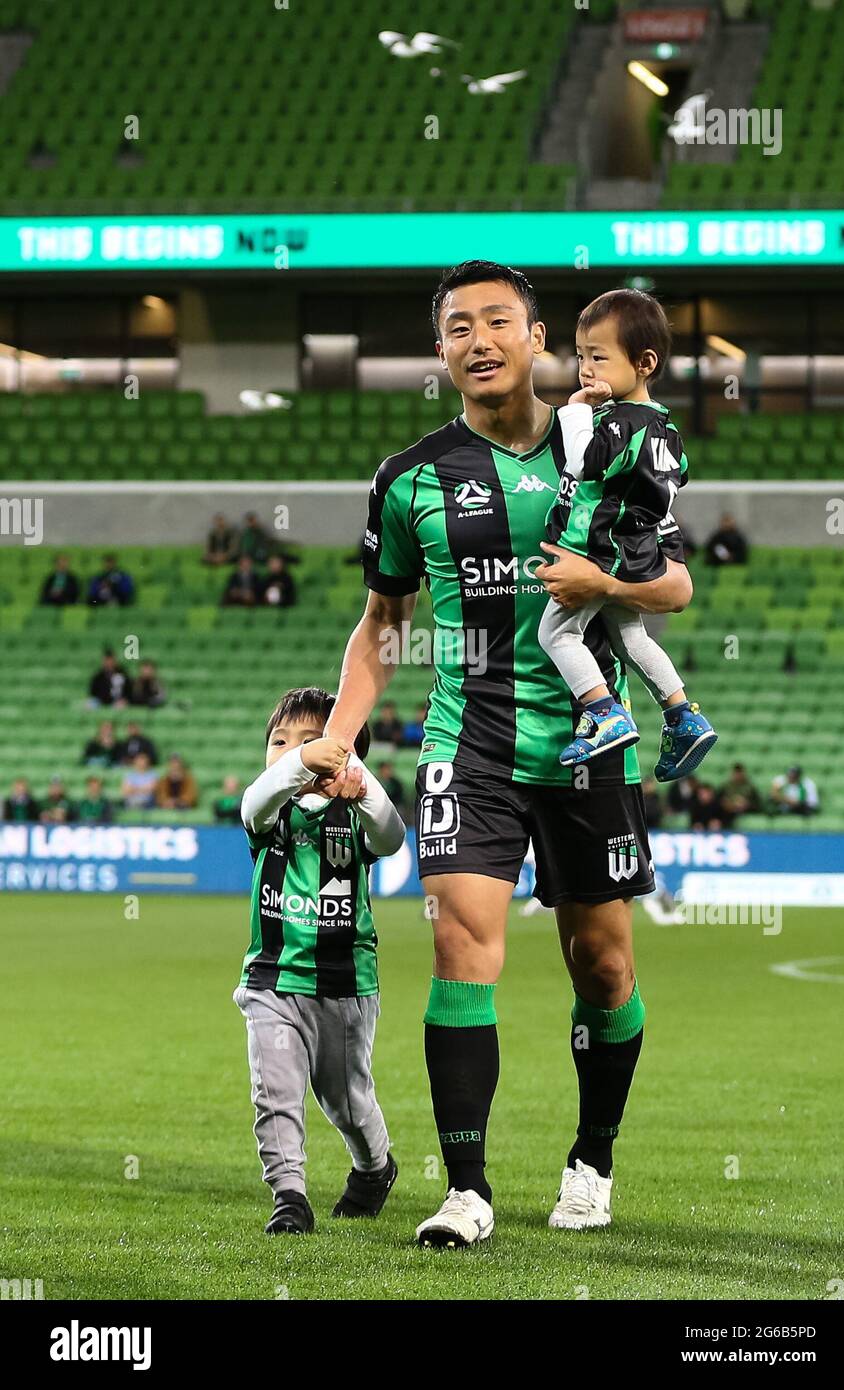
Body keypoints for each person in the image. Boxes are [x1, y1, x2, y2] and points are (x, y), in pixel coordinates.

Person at [323, 259, 693, 1247]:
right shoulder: (409, 478)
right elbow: (381, 624)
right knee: (458, 942)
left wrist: (602, 583)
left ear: (540, 341)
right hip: (467, 740)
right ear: (439, 352)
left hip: (587, 741)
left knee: (602, 970)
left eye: (497, 321)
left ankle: (591, 1161)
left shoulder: (608, 443)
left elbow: (674, 588)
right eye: (456, 327)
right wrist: (337, 733)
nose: (477, 339)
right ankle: (466, 1188)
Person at [233, 685, 404, 1234]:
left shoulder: (355, 814)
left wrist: (359, 783)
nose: (290, 749)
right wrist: (303, 761)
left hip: (347, 984)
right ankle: (289, 1195)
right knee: (275, 1091)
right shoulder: (269, 816)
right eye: (278, 741)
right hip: (272, 981)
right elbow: (254, 799)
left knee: (347, 1102)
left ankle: (374, 1168)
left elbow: (394, 835)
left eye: (309, 740)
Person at [537, 289, 716, 782]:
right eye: (580, 357)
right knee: (629, 635)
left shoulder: (617, 422)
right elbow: (677, 476)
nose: (586, 369)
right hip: (638, 550)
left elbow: (584, 462)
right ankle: (682, 714)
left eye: (598, 357)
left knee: (555, 632)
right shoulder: (667, 430)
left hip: (597, 551)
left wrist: (575, 410)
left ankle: (602, 711)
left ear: (644, 363)